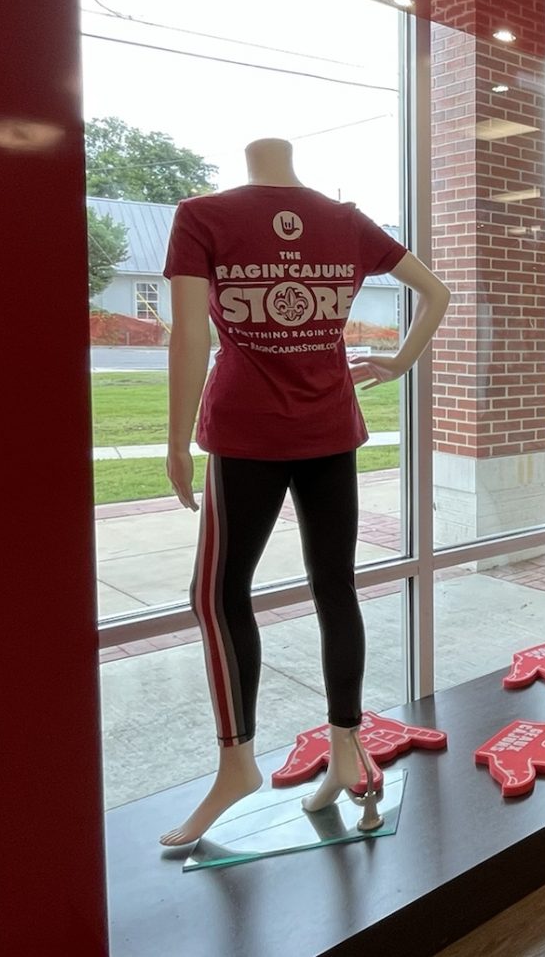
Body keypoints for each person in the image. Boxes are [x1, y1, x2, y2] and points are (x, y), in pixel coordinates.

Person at [156, 138, 451, 848]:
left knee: (218, 594)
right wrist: (401, 361)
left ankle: (238, 762)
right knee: (335, 586)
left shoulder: (203, 216)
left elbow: (189, 334)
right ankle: (346, 744)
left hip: (247, 435)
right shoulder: (342, 220)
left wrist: (175, 440)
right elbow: (436, 292)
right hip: (328, 427)